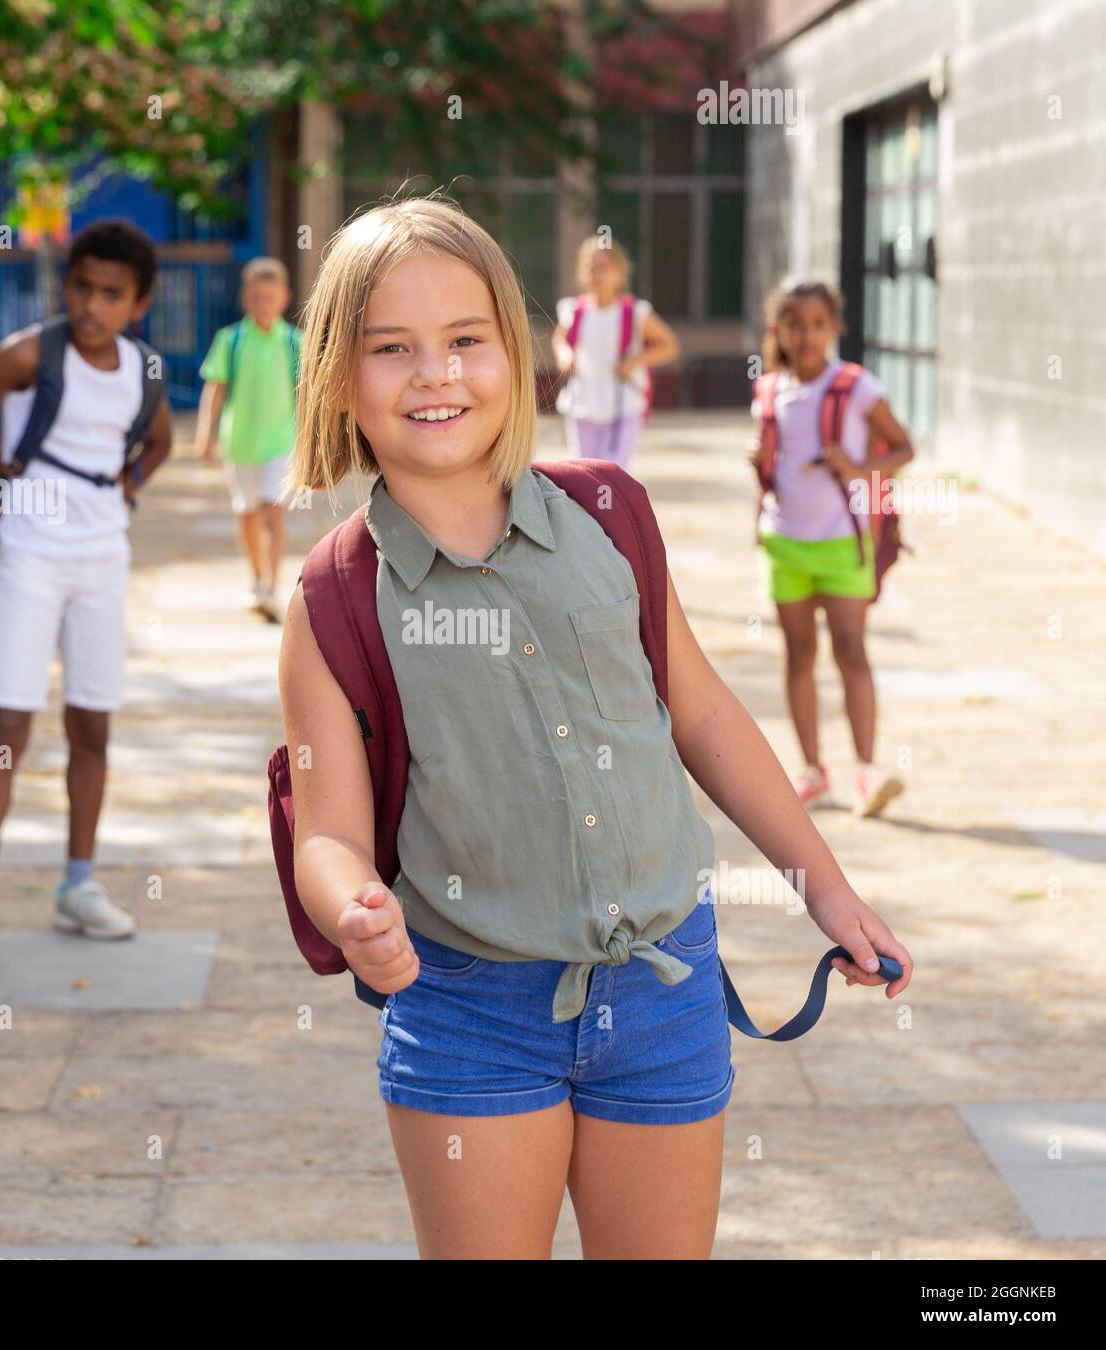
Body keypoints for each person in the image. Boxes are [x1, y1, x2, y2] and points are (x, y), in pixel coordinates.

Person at [278, 196, 913, 1259]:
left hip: (663, 992)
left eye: (466, 341)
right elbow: (326, 830)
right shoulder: (334, 596)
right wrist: (353, 911)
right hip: (470, 1009)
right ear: (340, 376)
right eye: (393, 349)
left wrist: (828, 890)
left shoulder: (609, 514)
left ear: (517, 355)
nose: (436, 375)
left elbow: (703, 716)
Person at [0, 218, 174, 957]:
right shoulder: (28, 355)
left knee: (91, 724)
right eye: (82, 288)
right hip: (30, 551)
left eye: (112, 294)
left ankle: (79, 884)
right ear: (65, 285)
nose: (93, 306)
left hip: (104, 555)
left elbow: (157, 440)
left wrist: (123, 488)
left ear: (139, 303)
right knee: (8, 720)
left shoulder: (146, 370)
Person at [748, 278, 915, 817]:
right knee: (798, 653)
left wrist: (862, 466)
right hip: (784, 542)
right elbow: (771, 462)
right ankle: (812, 772)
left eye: (819, 324)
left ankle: (868, 770)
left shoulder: (857, 386)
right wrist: (760, 461)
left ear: (834, 328)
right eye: (796, 324)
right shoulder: (770, 389)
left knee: (850, 650)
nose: (808, 334)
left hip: (843, 541)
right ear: (780, 330)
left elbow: (905, 447)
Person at [196, 256, 304, 622]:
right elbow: (215, 388)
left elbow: (306, 395)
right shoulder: (231, 340)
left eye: (270, 297)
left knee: (274, 511)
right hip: (239, 444)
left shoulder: (293, 343)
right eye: (257, 297)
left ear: (284, 298)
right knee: (247, 513)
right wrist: (204, 434)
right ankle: (256, 577)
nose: (263, 304)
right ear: (246, 298)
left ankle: (272, 586)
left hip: (281, 443)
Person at [551, 234, 679, 466]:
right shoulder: (573, 310)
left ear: (620, 271)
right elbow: (560, 339)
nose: (596, 274)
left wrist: (637, 360)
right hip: (582, 406)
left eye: (603, 267)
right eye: (590, 267)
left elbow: (669, 345)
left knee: (615, 473)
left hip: (623, 407)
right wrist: (564, 354)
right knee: (582, 472)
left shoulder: (636, 313)